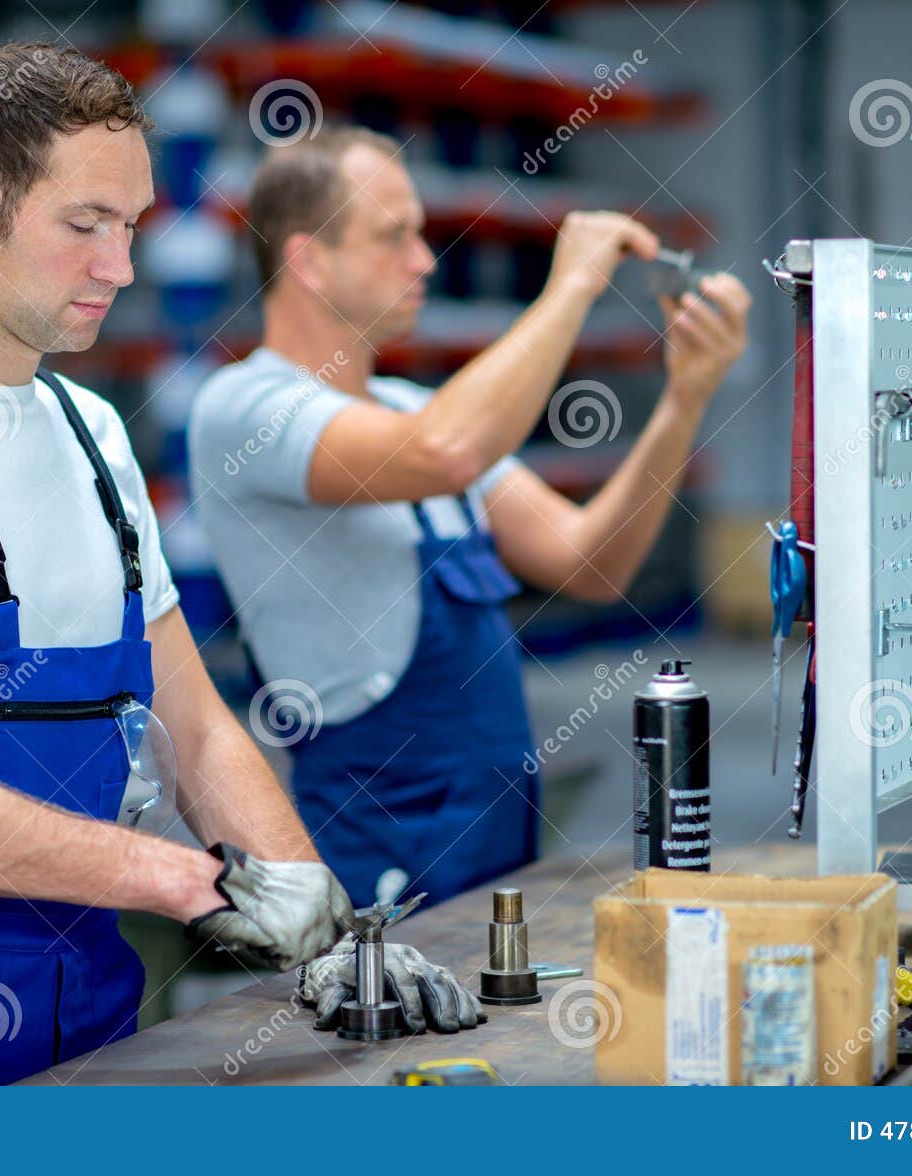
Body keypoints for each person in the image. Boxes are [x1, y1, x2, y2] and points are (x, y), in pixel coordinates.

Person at [0, 46, 475, 1087]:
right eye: (84, 225)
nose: (119, 268)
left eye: (129, 227)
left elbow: (198, 724)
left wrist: (321, 917)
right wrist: (191, 882)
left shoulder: (93, 435)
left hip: (89, 1004)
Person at [190, 127, 751, 908]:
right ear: (308, 260)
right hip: (379, 851)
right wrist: (570, 291)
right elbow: (444, 451)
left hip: (494, 846)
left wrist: (684, 399)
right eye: (394, 236)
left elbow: (592, 564)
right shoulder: (244, 410)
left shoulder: (412, 409)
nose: (424, 260)